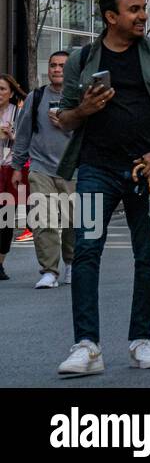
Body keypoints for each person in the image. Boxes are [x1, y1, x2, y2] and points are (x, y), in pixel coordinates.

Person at [55, 0, 150, 376]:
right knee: (85, 252)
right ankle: (86, 345)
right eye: (134, 10)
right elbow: (64, 119)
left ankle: (141, 340)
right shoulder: (82, 60)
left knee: (147, 253)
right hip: (95, 170)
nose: (143, 15)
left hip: (147, 171)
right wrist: (84, 109)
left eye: (143, 8)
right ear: (110, 17)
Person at [14, 52, 73, 288]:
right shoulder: (36, 97)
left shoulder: (79, 98)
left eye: (62, 66)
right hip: (40, 168)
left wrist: (66, 124)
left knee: (74, 221)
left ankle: (72, 264)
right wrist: (17, 166)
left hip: (73, 169)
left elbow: (90, 135)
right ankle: (49, 270)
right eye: (52, 65)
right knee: (42, 220)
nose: (57, 69)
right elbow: (23, 133)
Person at [0, 72, 27, 278]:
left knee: (5, 219)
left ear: (11, 93)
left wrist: (13, 136)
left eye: (2, 89)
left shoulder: (19, 114)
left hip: (9, 170)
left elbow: (27, 143)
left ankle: (0, 261)